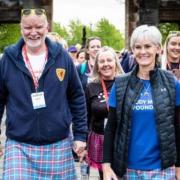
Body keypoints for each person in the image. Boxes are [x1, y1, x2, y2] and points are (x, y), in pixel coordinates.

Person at [0, 8, 87, 179]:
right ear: (21, 29)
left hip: (58, 143)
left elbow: (76, 96)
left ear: (47, 27)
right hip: (19, 145)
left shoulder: (62, 56)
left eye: (38, 27)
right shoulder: (9, 58)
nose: (33, 32)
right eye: (28, 28)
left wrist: (80, 135)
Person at [102, 25, 180, 180]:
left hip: (162, 169)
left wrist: (178, 167)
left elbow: (178, 127)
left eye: (147, 46)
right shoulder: (120, 84)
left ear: (158, 49)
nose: (142, 51)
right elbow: (111, 128)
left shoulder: (172, 83)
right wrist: (106, 166)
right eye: (138, 47)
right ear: (133, 50)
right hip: (126, 169)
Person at [84, 46, 124, 180]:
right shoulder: (91, 86)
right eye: (102, 61)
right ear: (97, 65)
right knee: (105, 176)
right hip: (100, 138)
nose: (106, 64)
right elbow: (86, 117)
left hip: (121, 138)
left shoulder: (125, 83)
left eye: (109, 60)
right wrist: (83, 143)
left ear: (116, 62)